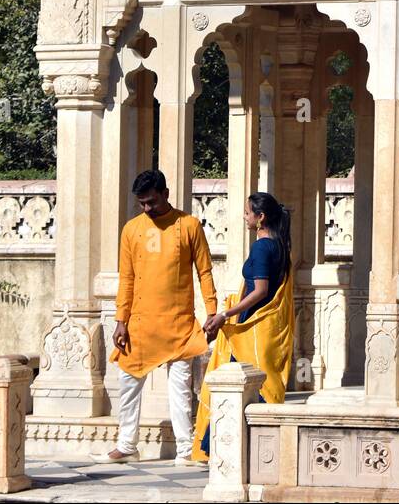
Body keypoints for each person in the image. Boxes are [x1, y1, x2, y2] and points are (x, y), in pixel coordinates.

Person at [106, 169, 220, 465]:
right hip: (139, 324)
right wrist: (121, 320)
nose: (147, 209)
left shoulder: (189, 225)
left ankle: (185, 448)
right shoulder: (131, 229)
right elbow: (127, 277)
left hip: (179, 324)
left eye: (152, 202)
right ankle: (127, 445)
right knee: (128, 383)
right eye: (142, 203)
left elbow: (204, 271)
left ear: (166, 194)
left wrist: (212, 312)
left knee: (180, 388)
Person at [192, 192, 294, 461]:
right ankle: (255, 451)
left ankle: (229, 450)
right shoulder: (280, 244)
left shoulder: (262, 247)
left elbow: (260, 290)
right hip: (262, 326)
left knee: (241, 387)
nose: (244, 216)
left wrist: (225, 314)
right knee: (255, 385)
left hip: (252, 326)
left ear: (261, 218)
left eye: (248, 212)